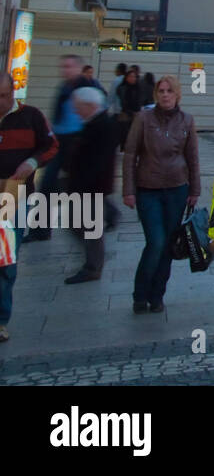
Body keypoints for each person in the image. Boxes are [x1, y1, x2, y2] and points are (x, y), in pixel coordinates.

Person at [122, 76, 200, 314]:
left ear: (177, 95)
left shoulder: (186, 120)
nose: (165, 95)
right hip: (149, 189)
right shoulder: (143, 119)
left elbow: (192, 157)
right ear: (156, 94)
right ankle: (140, 293)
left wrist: (195, 189)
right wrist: (128, 190)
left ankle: (157, 295)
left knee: (167, 246)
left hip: (177, 189)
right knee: (155, 242)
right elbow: (130, 154)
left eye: (169, 91)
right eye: (161, 91)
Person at [0, 72, 58, 344]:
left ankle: (1, 319)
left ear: (13, 92)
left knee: (5, 260)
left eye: (3, 95)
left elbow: (51, 145)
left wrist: (32, 163)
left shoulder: (31, 116)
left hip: (14, 195)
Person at [29, 55, 95, 241]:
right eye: (63, 66)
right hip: (60, 141)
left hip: (78, 141)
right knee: (47, 183)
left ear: (78, 68)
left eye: (69, 67)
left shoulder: (87, 87)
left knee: (82, 187)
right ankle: (40, 229)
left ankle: (105, 215)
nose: (65, 70)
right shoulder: (64, 87)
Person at [64, 87, 119, 284]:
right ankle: (93, 263)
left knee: (88, 228)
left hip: (92, 186)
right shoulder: (93, 122)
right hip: (88, 186)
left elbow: (99, 160)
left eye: (78, 106)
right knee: (79, 224)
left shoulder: (102, 124)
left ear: (89, 105)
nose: (76, 110)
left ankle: (93, 267)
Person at [115, 66, 144, 150]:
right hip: (125, 113)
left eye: (134, 77)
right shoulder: (122, 88)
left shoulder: (138, 88)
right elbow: (123, 101)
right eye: (130, 76)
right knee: (124, 132)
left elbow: (140, 99)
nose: (132, 79)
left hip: (136, 113)